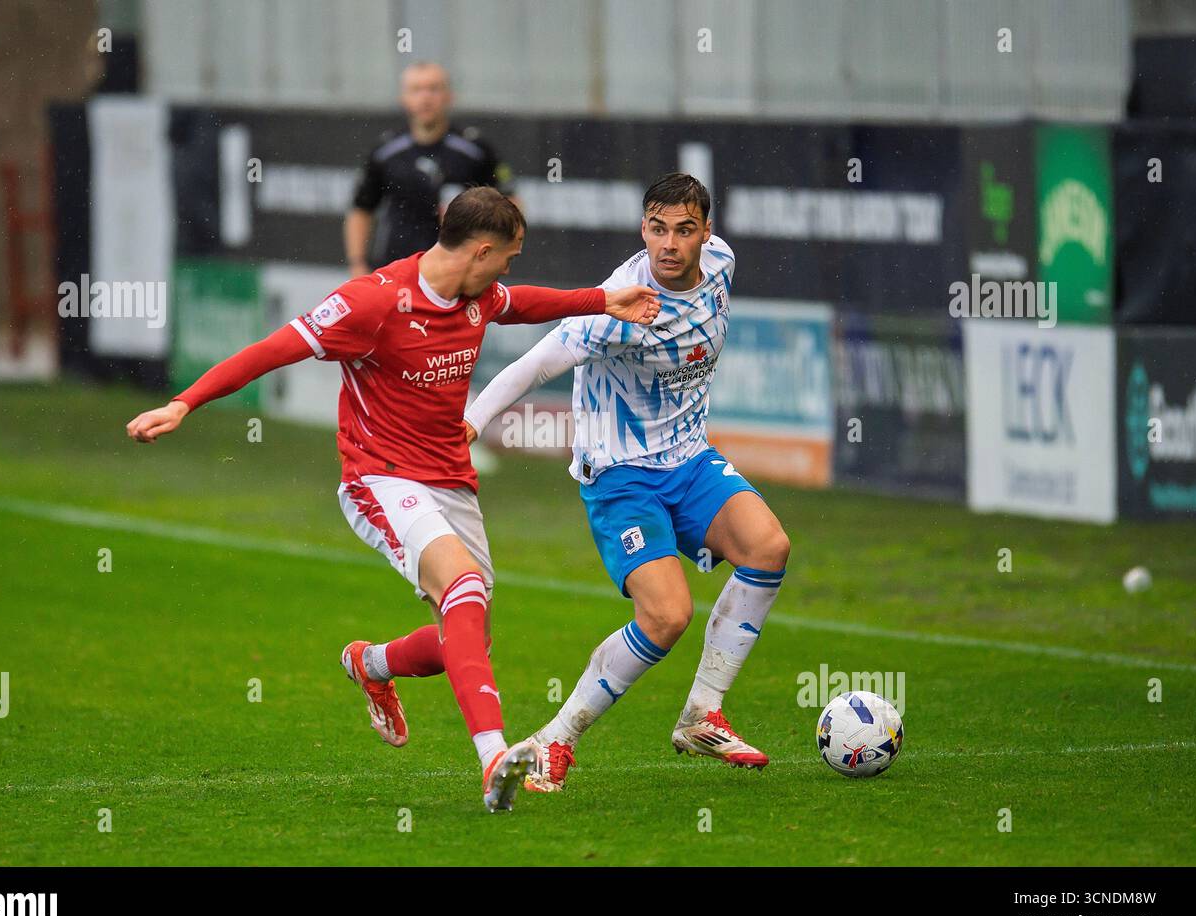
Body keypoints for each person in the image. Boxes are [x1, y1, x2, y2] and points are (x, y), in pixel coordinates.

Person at [126, 187, 659, 811]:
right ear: (480, 250)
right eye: (507, 258)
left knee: (468, 636)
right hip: (380, 477)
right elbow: (272, 351)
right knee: (461, 587)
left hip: (450, 478)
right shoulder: (372, 302)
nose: (508, 271)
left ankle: (372, 664)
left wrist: (606, 300)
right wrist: (183, 402)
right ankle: (493, 757)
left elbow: (527, 303)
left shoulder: (477, 294)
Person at [462, 173, 791, 793]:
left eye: (684, 230)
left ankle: (701, 716)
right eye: (658, 229)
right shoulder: (615, 304)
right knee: (667, 615)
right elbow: (535, 363)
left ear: (706, 234)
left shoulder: (721, 266)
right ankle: (557, 739)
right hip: (621, 475)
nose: (670, 244)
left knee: (769, 547)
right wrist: (472, 422)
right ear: (643, 229)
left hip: (690, 460)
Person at [345, 61, 515, 276]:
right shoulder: (385, 151)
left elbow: (510, 203)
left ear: (449, 96)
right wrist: (357, 264)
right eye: (416, 90)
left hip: (460, 273)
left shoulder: (475, 150)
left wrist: (496, 255)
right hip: (397, 271)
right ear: (403, 98)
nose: (425, 97)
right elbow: (361, 209)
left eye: (433, 89)